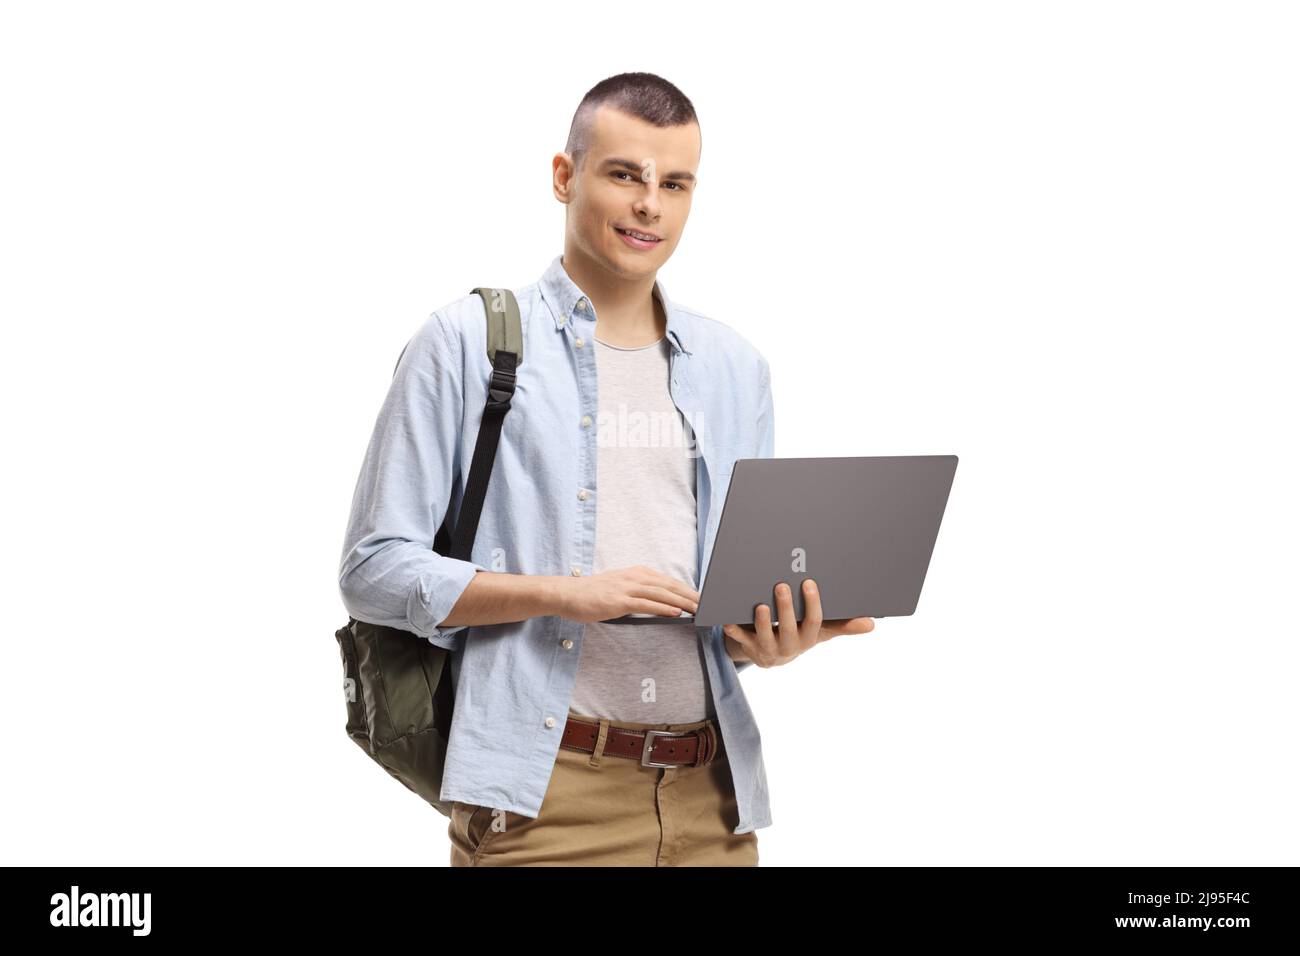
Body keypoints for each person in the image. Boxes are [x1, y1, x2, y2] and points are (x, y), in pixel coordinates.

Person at [338, 72, 875, 867]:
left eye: (675, 183)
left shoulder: (736, 368)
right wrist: (565, 593)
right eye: (625, 174)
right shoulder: (464, 344)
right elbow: (372, 570)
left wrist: (765, 640)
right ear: (566, 176)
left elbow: (720, 611)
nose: (650, 204)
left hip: (713, 800)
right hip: (545, 801)